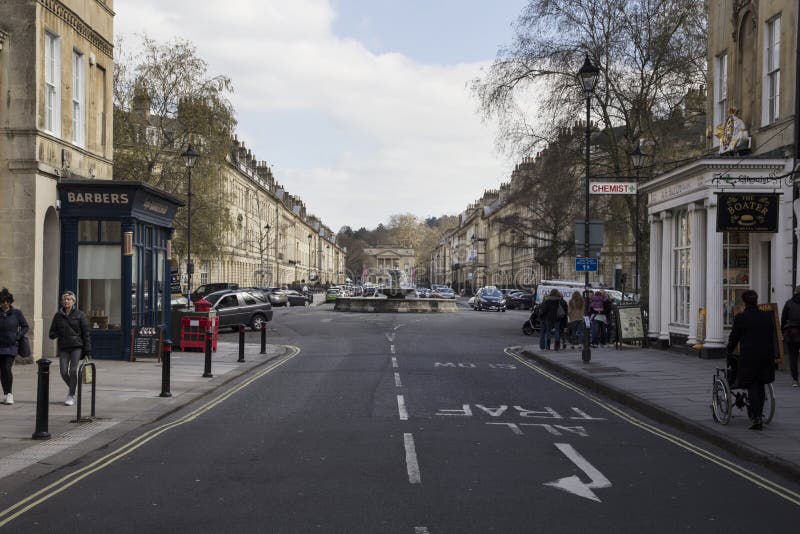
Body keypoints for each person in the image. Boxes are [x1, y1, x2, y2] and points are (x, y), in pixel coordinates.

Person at [726, 290, 775, 431]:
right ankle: (758, 413)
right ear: (756, 300)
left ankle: (757, 418)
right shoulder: (767, 316)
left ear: (744, 302)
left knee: (753, 385)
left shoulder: (741, 317)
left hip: (750, 356)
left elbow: (734, 338)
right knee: (761, 383)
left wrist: (729, 350)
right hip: (766, 355)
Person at [49, 290, 91, 406]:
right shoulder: (58, 316)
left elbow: (85, 333)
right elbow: (51, 332)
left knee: (73, 370)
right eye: (64, 299)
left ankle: (70, 395)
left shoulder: (80, 315)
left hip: (76, 347)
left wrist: (87, 349)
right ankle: (73, 387)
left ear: (73, 302)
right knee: (63, 372)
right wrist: (55, 334)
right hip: (63, 347)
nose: (66, 301)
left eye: (69, 299)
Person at [0, 288, 28, 405]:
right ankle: (5, 394)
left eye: (7, 301)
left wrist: (17, 336)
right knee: (2, 371)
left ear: (10, 301)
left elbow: (25, 326)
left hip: (11, 346)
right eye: (2, 301)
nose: (5, 304)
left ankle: (10, 394)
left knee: (7, 368)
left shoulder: (17, 313)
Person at [780, 286, 800, 387]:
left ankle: (795, 380)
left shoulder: (788, 303)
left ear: (794, 292)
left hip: (792, 333)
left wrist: (782, 332)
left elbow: (783, 319)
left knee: (793, 357)